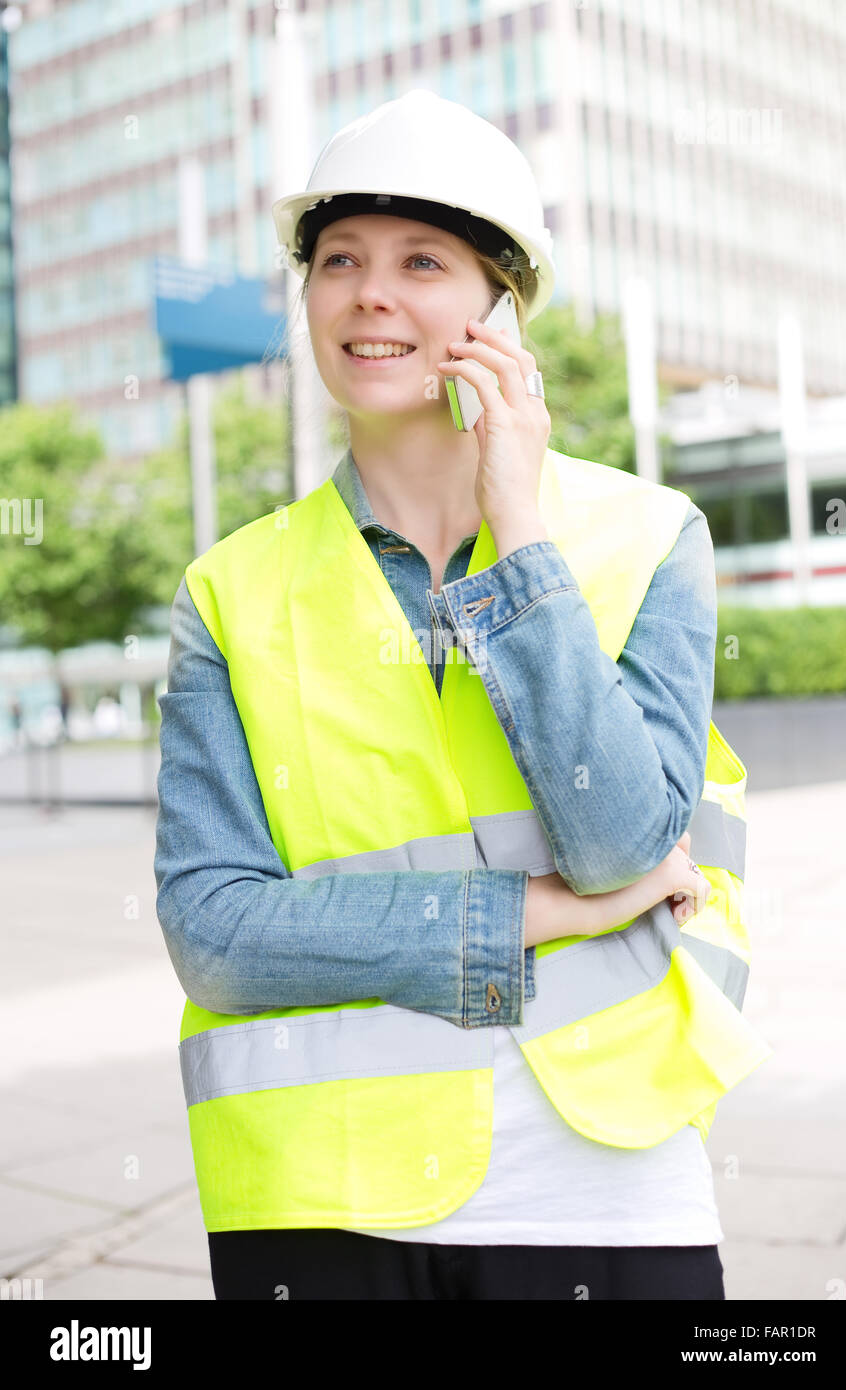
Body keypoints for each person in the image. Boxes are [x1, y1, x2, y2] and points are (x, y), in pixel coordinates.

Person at [154, 91, 770, 1301]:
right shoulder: (228, 588)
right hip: (317, 1190)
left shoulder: (646, 535)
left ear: (500, 309)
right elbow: (216, 938)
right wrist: (534, 914)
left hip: (604, 1175)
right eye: (338, 260)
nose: (368, 292)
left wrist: (518, 529)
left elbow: (620, 840)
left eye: (420, 261)